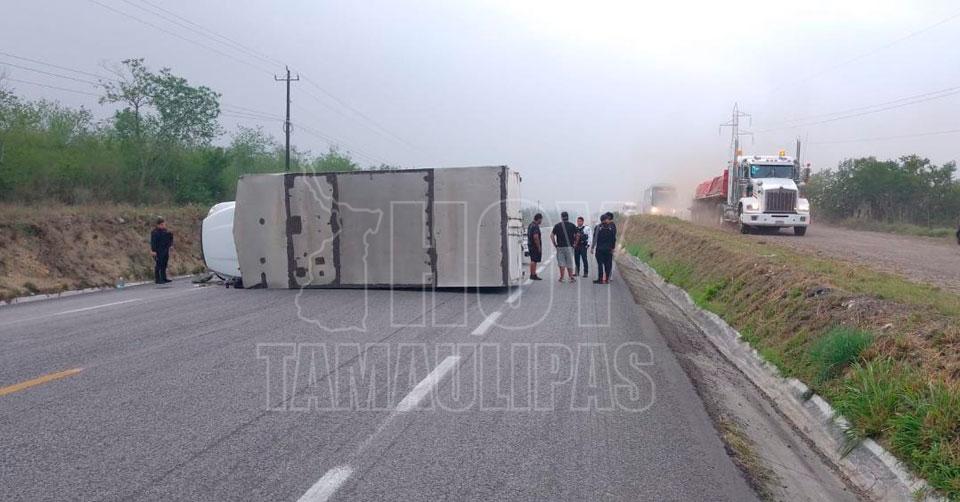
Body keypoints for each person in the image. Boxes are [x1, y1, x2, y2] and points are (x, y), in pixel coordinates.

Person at [551, 211, 579, 283]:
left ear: (561, 217)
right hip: (569, 246)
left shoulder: (557, 225)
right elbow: (578, 235)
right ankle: (571, 277)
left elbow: (551, 235)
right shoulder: (572, 225)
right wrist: (575, 243)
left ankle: (562, 277)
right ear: (568, 217)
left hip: (560, 247)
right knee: (569, 262)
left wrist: (555, 244)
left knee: (561, 263)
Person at [592, 212, 617, 284]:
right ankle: (607, 280)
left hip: (599, 249)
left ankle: (600, 279)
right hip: (608, 249)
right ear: (606, 219)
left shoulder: (597, 227)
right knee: (608, 264)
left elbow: (595, 238)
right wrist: (613, 248)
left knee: (600, 264)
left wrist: (592, 248)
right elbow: (613, 238)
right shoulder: (611, 227)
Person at [150, 217, 174, 284]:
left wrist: (171, 245)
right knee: (158, 265)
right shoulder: (154, 232)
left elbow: (170, 238)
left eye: (164, 224)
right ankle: (157, 279)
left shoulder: (165, 231)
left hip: (165, 250)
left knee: (164, 264)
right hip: (158, 251)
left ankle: (164, 278)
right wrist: (153, 250)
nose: (164, 226)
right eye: (162, 224)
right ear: (158, 225)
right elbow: (153, 242)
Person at [527, 213, 544, 280]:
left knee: (532, 260)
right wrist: (539, 247)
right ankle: (533, 274)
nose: (541, 221)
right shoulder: (535, 226)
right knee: (534, 260)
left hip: (530, 245)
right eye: (541, 219)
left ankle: (532, 274)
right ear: (539, 219)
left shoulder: (530, 225)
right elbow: (536, 237)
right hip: (534, 246)